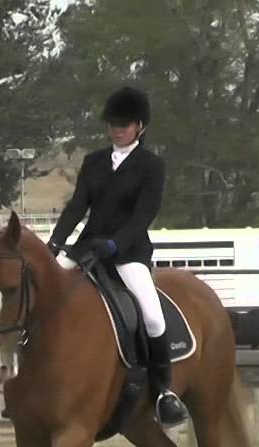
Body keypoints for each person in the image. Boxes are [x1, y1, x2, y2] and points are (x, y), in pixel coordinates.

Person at [45, 85, 187, 427]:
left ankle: (164, 391)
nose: (116, 129)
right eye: (112, 123)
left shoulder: (151, 166)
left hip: (128, 252)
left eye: (123, 124)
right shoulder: (94, 162)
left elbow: (143, 216)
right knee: (43, 291)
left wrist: (116, 245)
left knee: (152, 317)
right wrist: (54, 243)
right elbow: (78, 205)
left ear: (139, 126)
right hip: (89, 247)